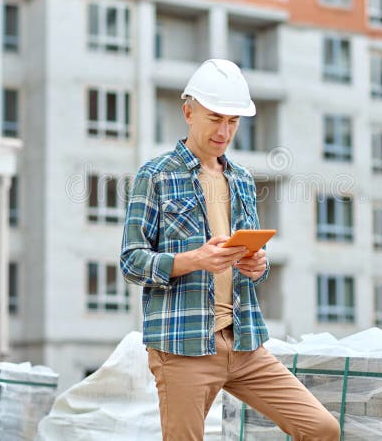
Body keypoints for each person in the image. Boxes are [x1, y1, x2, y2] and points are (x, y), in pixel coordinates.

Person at [120, 59, 340, 440]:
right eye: (215, 118)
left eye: (233, 122)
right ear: (188, 112)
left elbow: (248, 263)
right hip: (183, 344)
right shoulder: (155, 175)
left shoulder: (241, 180)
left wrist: (256, 265)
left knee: (321, 428)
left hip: (243, 342)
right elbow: (131, 261)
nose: (224, 131)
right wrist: (194, 260)